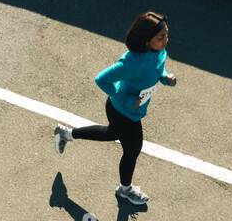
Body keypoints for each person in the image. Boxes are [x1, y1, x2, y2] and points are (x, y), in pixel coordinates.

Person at [53, 11, 177, 205]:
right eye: (161, 37)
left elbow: (157, 69)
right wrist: (126, 100)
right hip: (122, 111)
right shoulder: (130, 63)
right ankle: (125, 190)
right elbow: (101, 79)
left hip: (132, 111)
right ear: (146, 40)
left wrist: (165, 77)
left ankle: (65, 134)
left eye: (167, 34)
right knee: (133, 149)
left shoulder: (158, 52)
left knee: (110, 134)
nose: (166, 40)